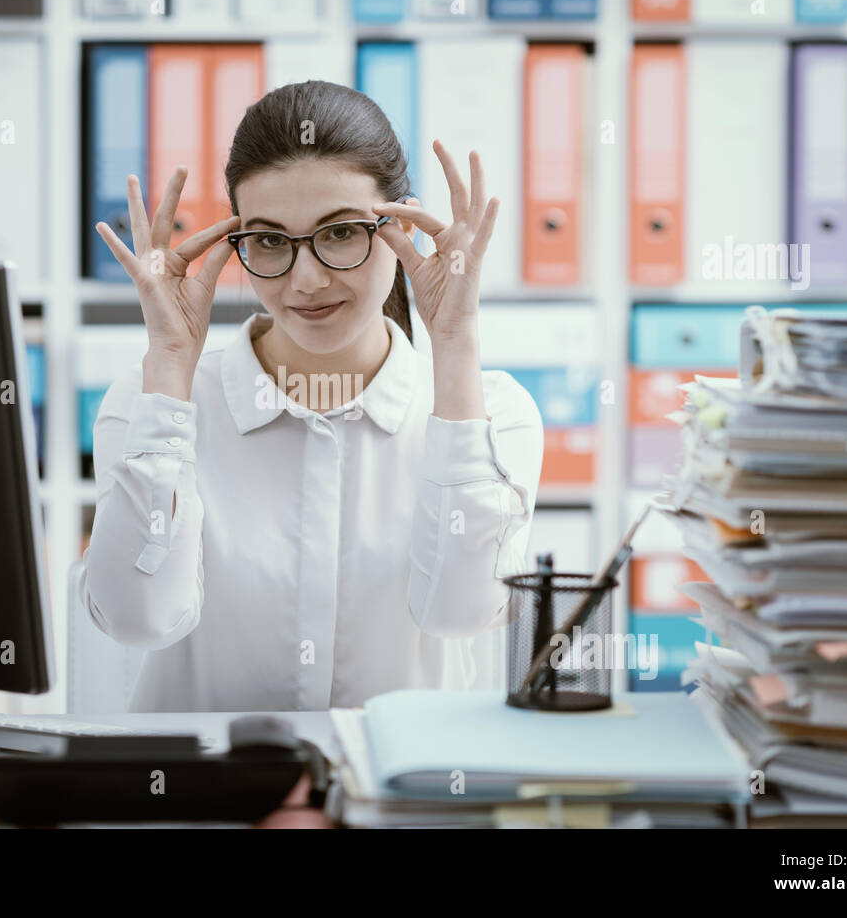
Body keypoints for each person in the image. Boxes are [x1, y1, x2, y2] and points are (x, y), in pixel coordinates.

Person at [81, 80, 543, 712]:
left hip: (396, 799)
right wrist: (168, 364)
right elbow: (138, 620)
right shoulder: (150, 399)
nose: (306, 279)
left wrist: (455, 340)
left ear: (401, 225)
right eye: (270, 239)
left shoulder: (492, 408)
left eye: (341, 232)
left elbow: (463, 611)